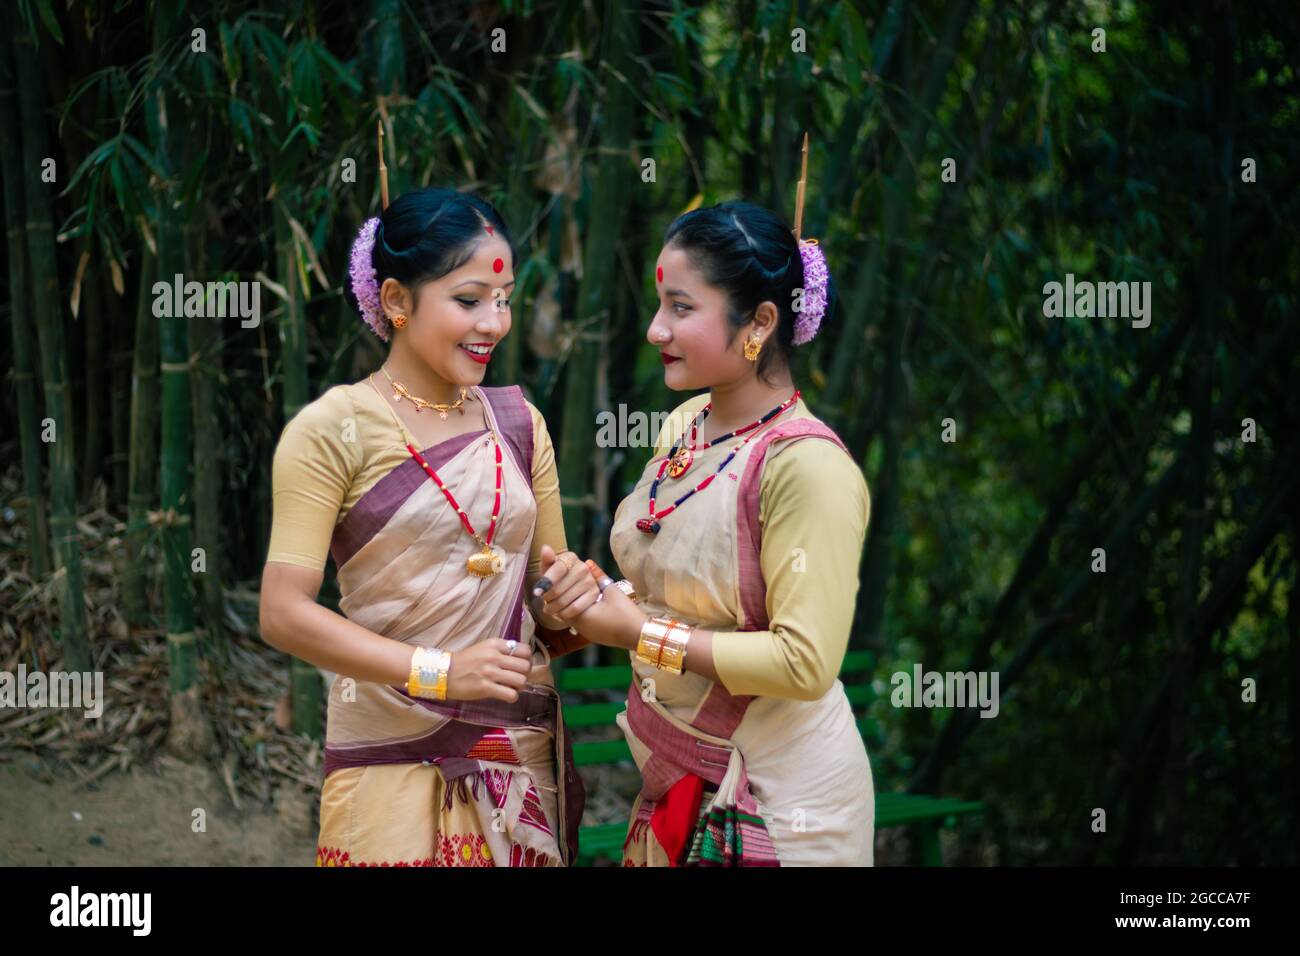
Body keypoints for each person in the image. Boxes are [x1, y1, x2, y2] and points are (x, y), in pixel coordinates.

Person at [259, 186, 594, 867]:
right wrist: (440, 671)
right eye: (469, 300)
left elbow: (545, 602)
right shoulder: (333, 430)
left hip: (515, 759)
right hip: (389, 756)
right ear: (396, 301)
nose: (494, 324)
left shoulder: (521, 425)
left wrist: (572, 594)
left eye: (503, 301)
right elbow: (283, 613)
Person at [539, 200, 875, 866]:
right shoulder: (687, 425)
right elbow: (670, 593)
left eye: (681, 308)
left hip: (780, 806)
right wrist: (582, 605)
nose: (655, 329)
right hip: (678, 781)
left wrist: (635, 635)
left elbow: (805, 664)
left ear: (760, 323)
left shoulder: (808, 470)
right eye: (660, 305)